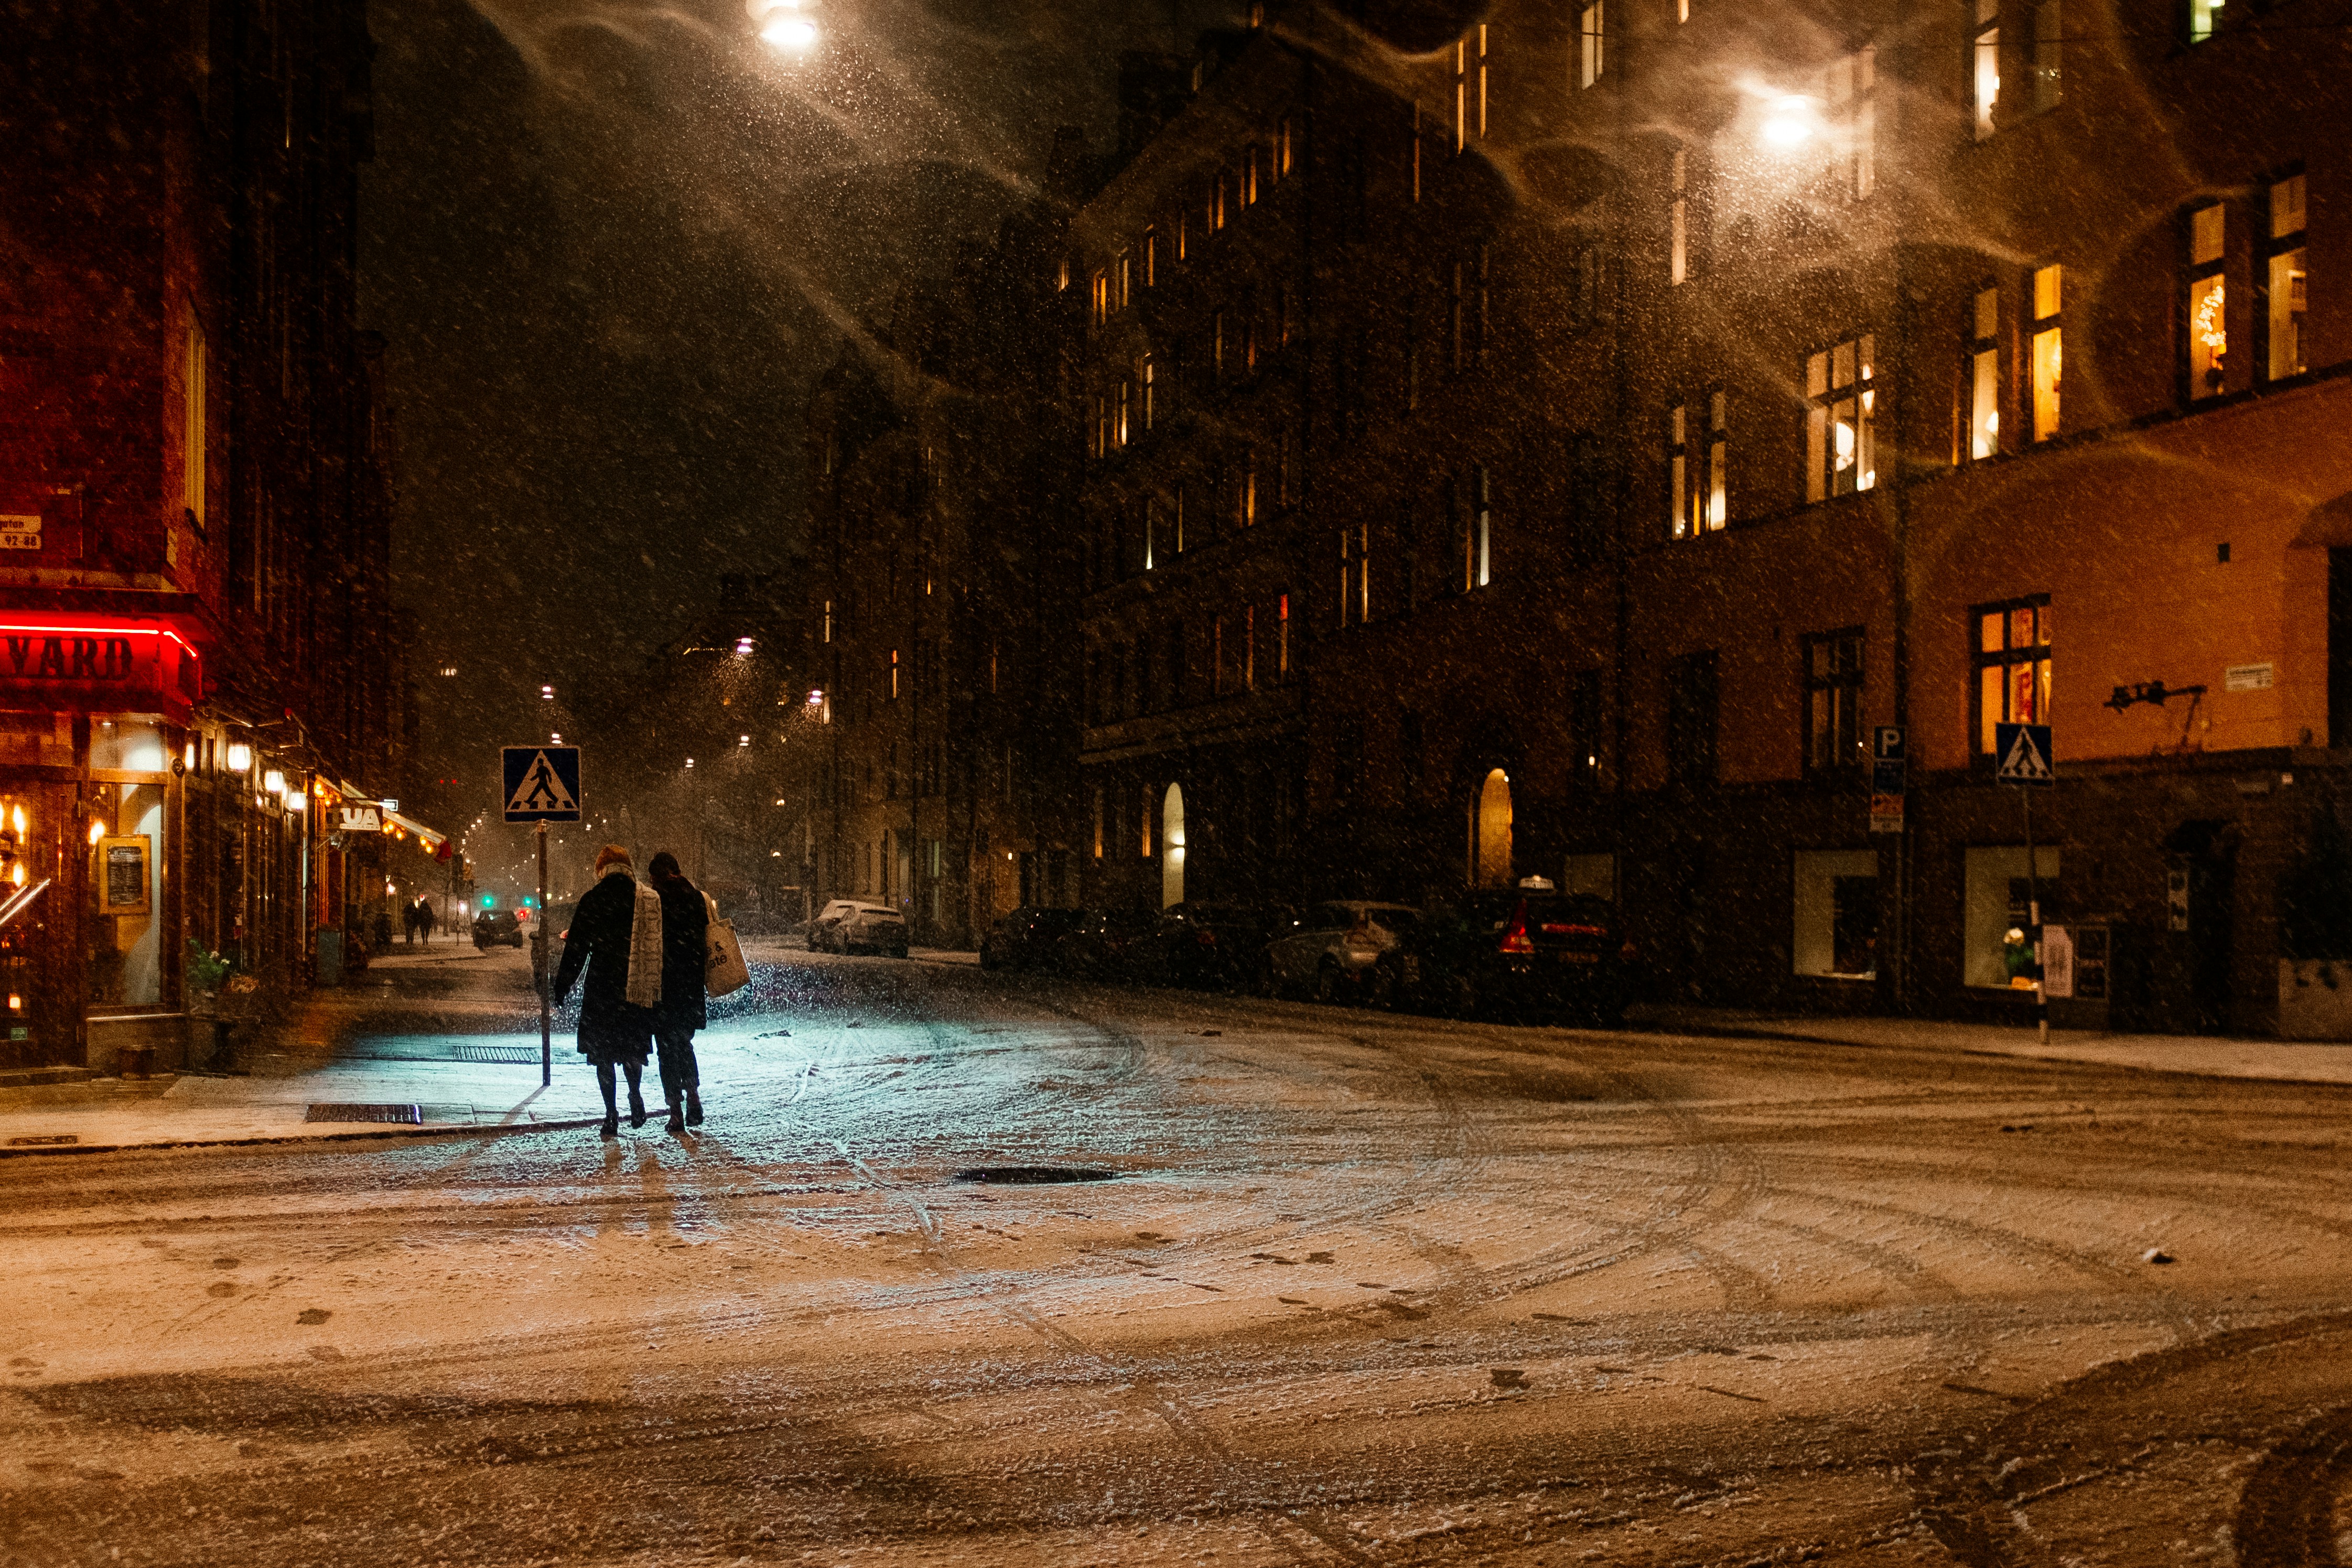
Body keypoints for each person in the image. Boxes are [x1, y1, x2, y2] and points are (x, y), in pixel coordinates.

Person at [552, 845, 660, 1137]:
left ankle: (611, 1114)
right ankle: (635, 1094)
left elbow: (577, 949)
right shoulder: (646, 899)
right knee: (632, 1048)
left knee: (604, 1054)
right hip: (634, 985)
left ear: (602, 869)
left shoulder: (593, 899)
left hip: (602, 987)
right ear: (628, 866)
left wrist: (562, 985)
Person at [646, 851, 709, 1132]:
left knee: (665, 1050)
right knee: (684, 1043)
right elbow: (705, 937)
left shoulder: (652, 900)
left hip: (662, 984)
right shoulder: (697, 897)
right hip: (690, 984)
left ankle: (675, 1111)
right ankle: (693, 1094)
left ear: (656, 876)